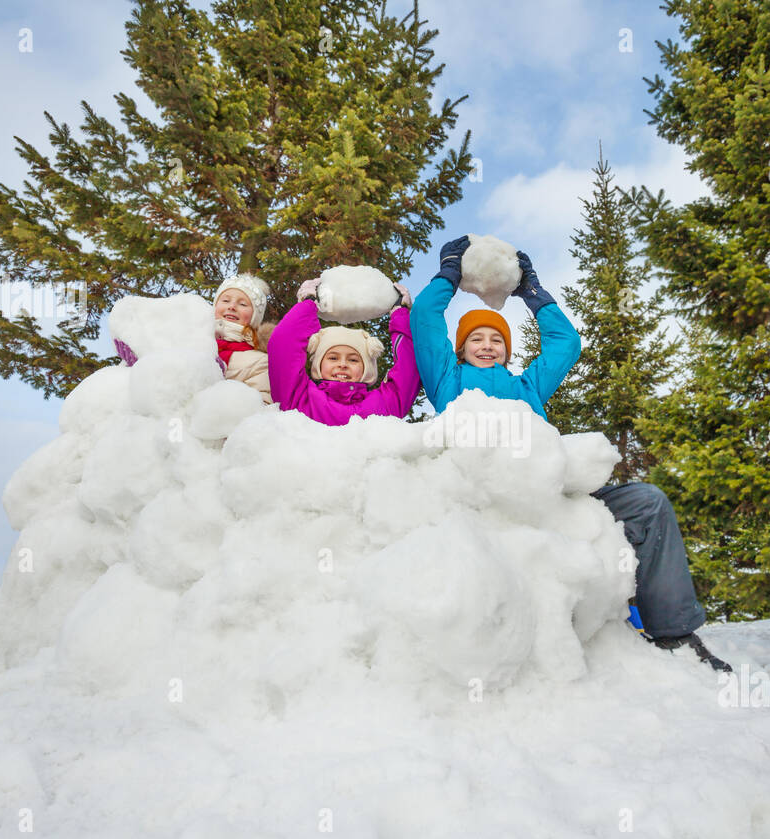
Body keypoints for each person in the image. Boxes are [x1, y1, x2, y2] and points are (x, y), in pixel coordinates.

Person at [410, 236, 729, 671]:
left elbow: (566, 344)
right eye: (476, 339)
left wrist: (533, 292)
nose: (487, 345)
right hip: (484, 508)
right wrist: (449, 273)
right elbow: (425, 318)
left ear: (507, 350)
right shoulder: (447, 381)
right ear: (460, 349)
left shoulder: (529, 387)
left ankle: (675, 633)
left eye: (496, 340)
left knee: (648, 504)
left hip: (552, 503)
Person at [266, 277, 422, 425]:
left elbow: (408, 369)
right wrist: (308, 304)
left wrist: (399, 313)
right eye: (333, 358)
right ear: (318, 364)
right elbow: (283, 344)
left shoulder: (385, 403)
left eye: (353, 359)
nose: (342, 364)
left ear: (367, 368)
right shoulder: (299, 398)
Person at [213, 274, 276, 400]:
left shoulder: (260, 362)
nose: (231, 306)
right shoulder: (194, 341)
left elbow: (262, 405)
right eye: (225, 300)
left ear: (254, 317)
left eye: (242, 304)